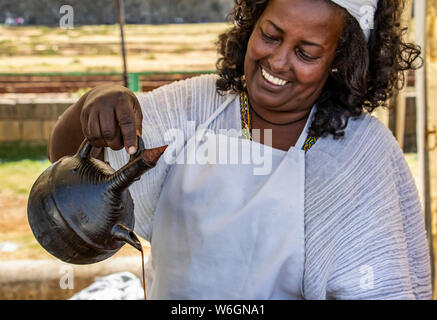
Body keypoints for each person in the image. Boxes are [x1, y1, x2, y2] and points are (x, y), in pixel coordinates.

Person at [48, 0, 432, 300]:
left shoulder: (363, 154)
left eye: (307, 53)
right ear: (251, 25)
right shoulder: (196, 109)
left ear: (339, 63)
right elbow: (66, 166)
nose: (278, 61)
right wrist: (92, 104)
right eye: (270, 35)